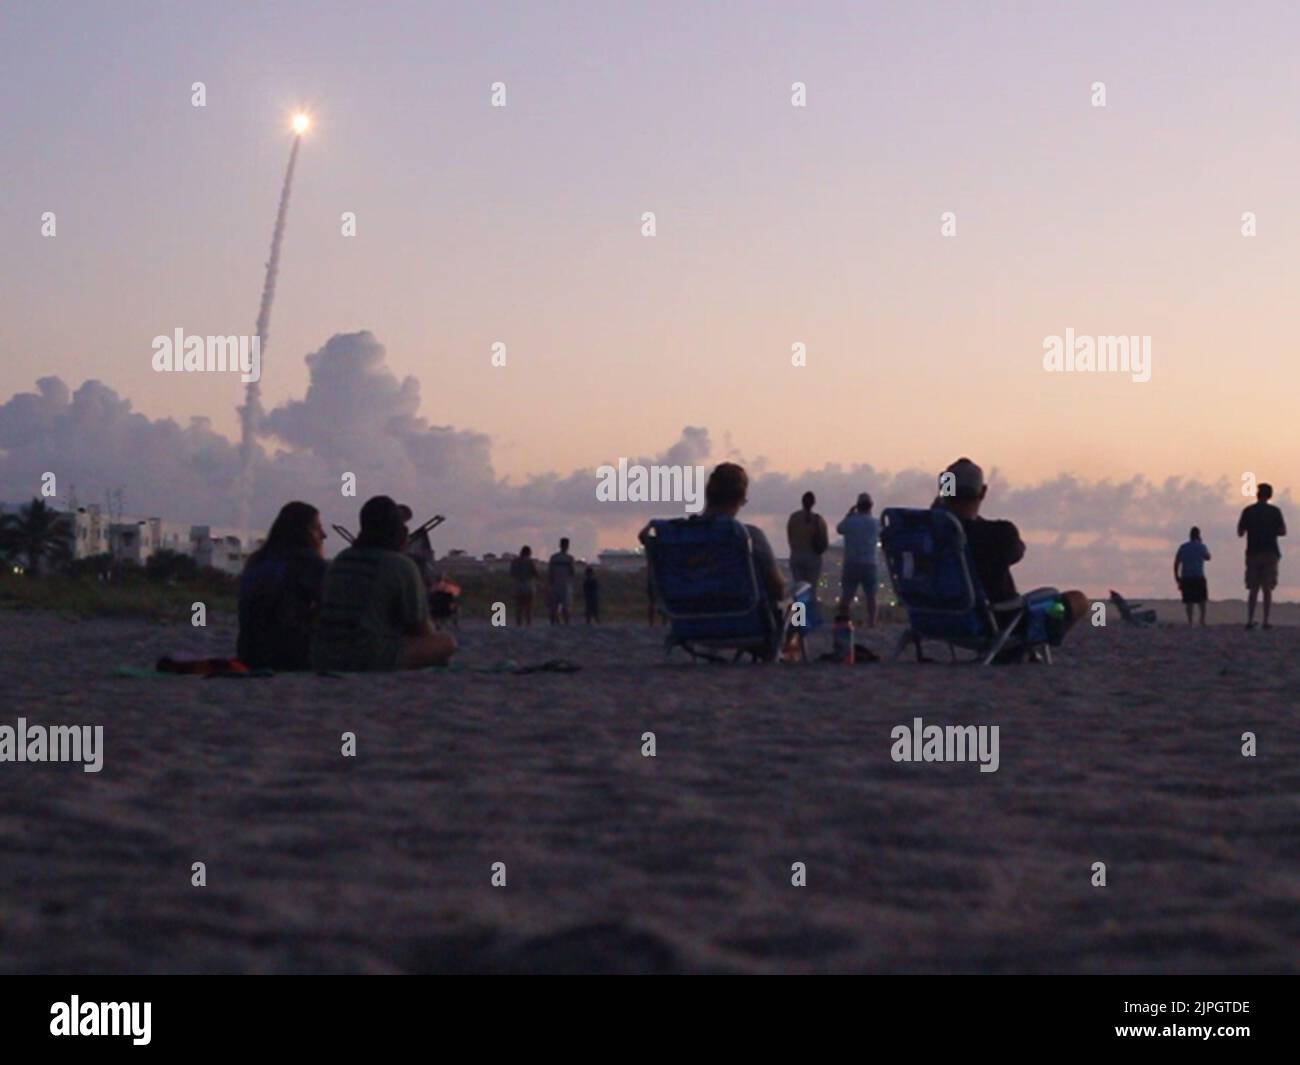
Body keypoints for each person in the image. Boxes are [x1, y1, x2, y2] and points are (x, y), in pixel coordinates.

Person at [936, 457, 1088, 642]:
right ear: (983, 492)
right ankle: (1029, 643)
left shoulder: (929, 534)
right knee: (1077, 600)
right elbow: (1017, 552)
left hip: (939, 617)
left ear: (944, 490)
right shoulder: (999, 533)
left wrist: (941, 507)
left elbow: (951, 518)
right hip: (1000, 620)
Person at [311, 495, 456, 671]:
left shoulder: (340, 560)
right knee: (446, 643)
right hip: (367, 656)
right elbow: (421, 630)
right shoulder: (400, 565)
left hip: (323, 654)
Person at [236, 501, 328, 671]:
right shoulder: (308, 562)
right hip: (288, 656)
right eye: (317, 528)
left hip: (248, 653)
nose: (323, 535)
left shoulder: (257, 560)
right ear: (304, 531)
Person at [1237, 482, 1286, 629]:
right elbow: (1282, 531)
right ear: (1269, 495)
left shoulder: (1248, 511)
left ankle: (1250, 619)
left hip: (1253, 552)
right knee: (1267, 588)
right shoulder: (1275, 511)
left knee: (1253, 588)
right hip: (1270, 552)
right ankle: (1265, 620)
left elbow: (1240, 532)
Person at [837, 492, 880, 626]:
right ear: (870, 506)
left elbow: (839, 529)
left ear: (858, 506)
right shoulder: (875, 523)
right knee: (871, 596)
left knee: (847, 595)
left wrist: (849, 515)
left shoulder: (850, 521)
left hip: (851, 562)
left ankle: (844, 621)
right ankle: (872, 622)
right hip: (870, 563)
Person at [786, 491, 829, 596]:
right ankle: (810, 606)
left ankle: (800, 607)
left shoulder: (794, 517)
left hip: (797, 555)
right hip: (813, 557)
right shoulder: (819, 520)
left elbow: (789, 536)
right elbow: (825, 542)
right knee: (812, 590)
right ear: (813, 503)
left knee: (799, 590)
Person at [1174, 526, 1211, 626]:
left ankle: (1190, 621)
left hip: (1186, 577)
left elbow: (1177, 563)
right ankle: (1202, 620)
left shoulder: (1183, 547)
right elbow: (1208, 557)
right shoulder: (1201, 546)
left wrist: (1177, 577)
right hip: (1198, 576)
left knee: (1189, 601)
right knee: (1202, 600)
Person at [548, 537, 577, 625]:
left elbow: (550, 572)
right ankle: (566, 624)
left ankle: (553, 623)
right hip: (565, 585)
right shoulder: (570, 558)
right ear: (567, 546)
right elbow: (572, 572)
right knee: (566, 607)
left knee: (554, 607)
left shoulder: (554, 557)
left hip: (555, 584)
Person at [509, 546, 539, 626]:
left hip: (518, 587)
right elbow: (536, 573)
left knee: (519, 607)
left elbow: (512, 574)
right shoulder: (530, 562)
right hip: (529, 587)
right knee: (528, 608)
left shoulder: (515, 562)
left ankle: (519, 623)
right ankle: (528, 623)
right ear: (529, 553)